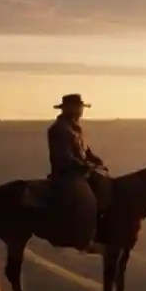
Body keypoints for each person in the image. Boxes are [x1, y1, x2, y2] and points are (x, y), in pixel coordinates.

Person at [47, 93, 111, 252]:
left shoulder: (75, 128)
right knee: (86, 199)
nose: (81, 111)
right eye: (78, 107)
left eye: (81, 107)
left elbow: (84, 151)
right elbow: (65, 157)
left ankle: (101, 232)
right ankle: (83, 239)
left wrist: (95, 160)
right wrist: (86, 166)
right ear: (69, 109)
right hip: (67, 174)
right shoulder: (59, 129)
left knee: (105, 188)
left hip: (79, 172)